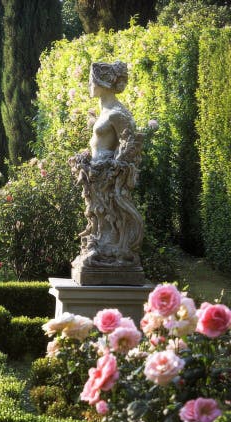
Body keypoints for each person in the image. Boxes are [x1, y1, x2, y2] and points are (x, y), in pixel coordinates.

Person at [69, 61, 145, 282]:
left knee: (109, 213)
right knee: (97, 215)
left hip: (107, 175)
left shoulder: (117, 113)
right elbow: (100, 143)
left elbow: (131, 143)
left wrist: (116, 168)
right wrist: (85, 156)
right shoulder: (105, 111)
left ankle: (111, 250)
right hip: (94, 173)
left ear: (103, 83)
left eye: (92, 81)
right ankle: (102, 247)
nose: (89, 85)